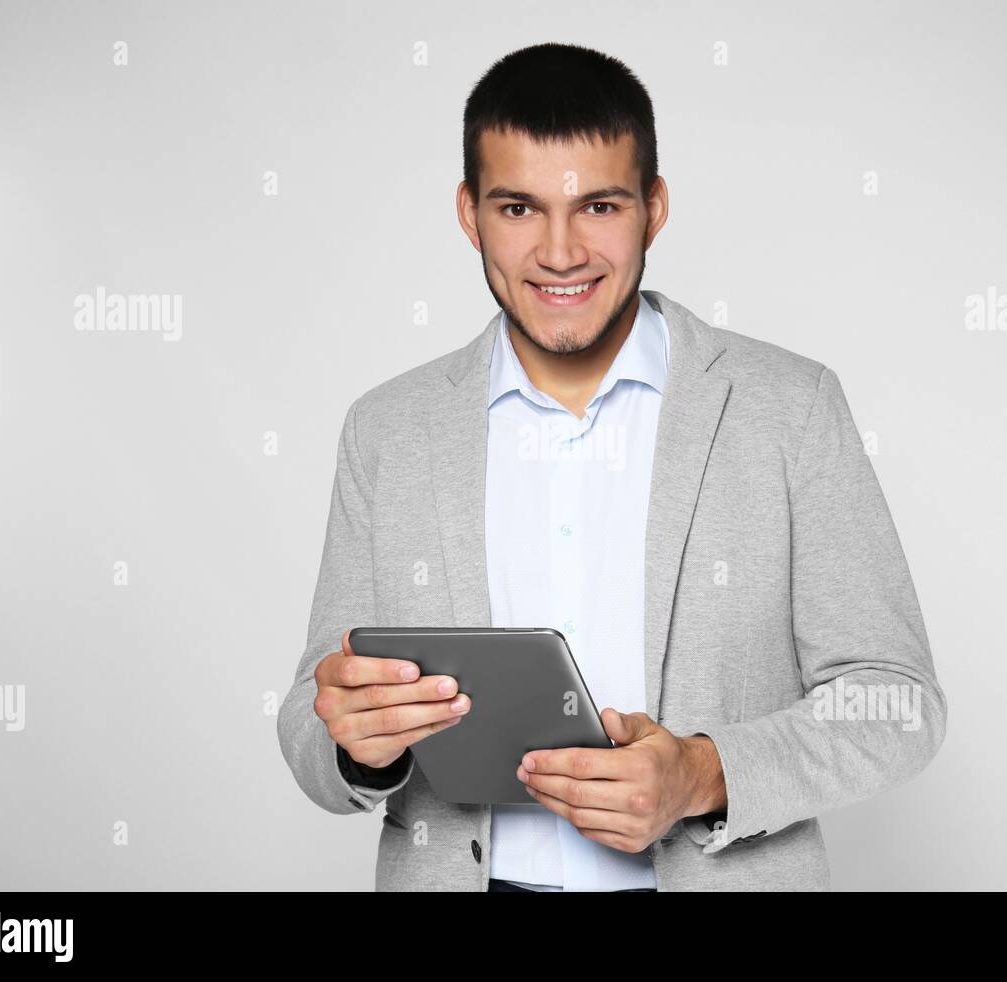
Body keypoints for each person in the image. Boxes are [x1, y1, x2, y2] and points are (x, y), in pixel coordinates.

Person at [277, 42, 947, 892]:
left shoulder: (790, 406)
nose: (561, 253)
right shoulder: (387, 429)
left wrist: (704, 774)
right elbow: (309, 713)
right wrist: (352, 745)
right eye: (518, 208)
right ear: (468, 212)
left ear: (654, 207)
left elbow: (897, 702)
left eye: (597, 205)